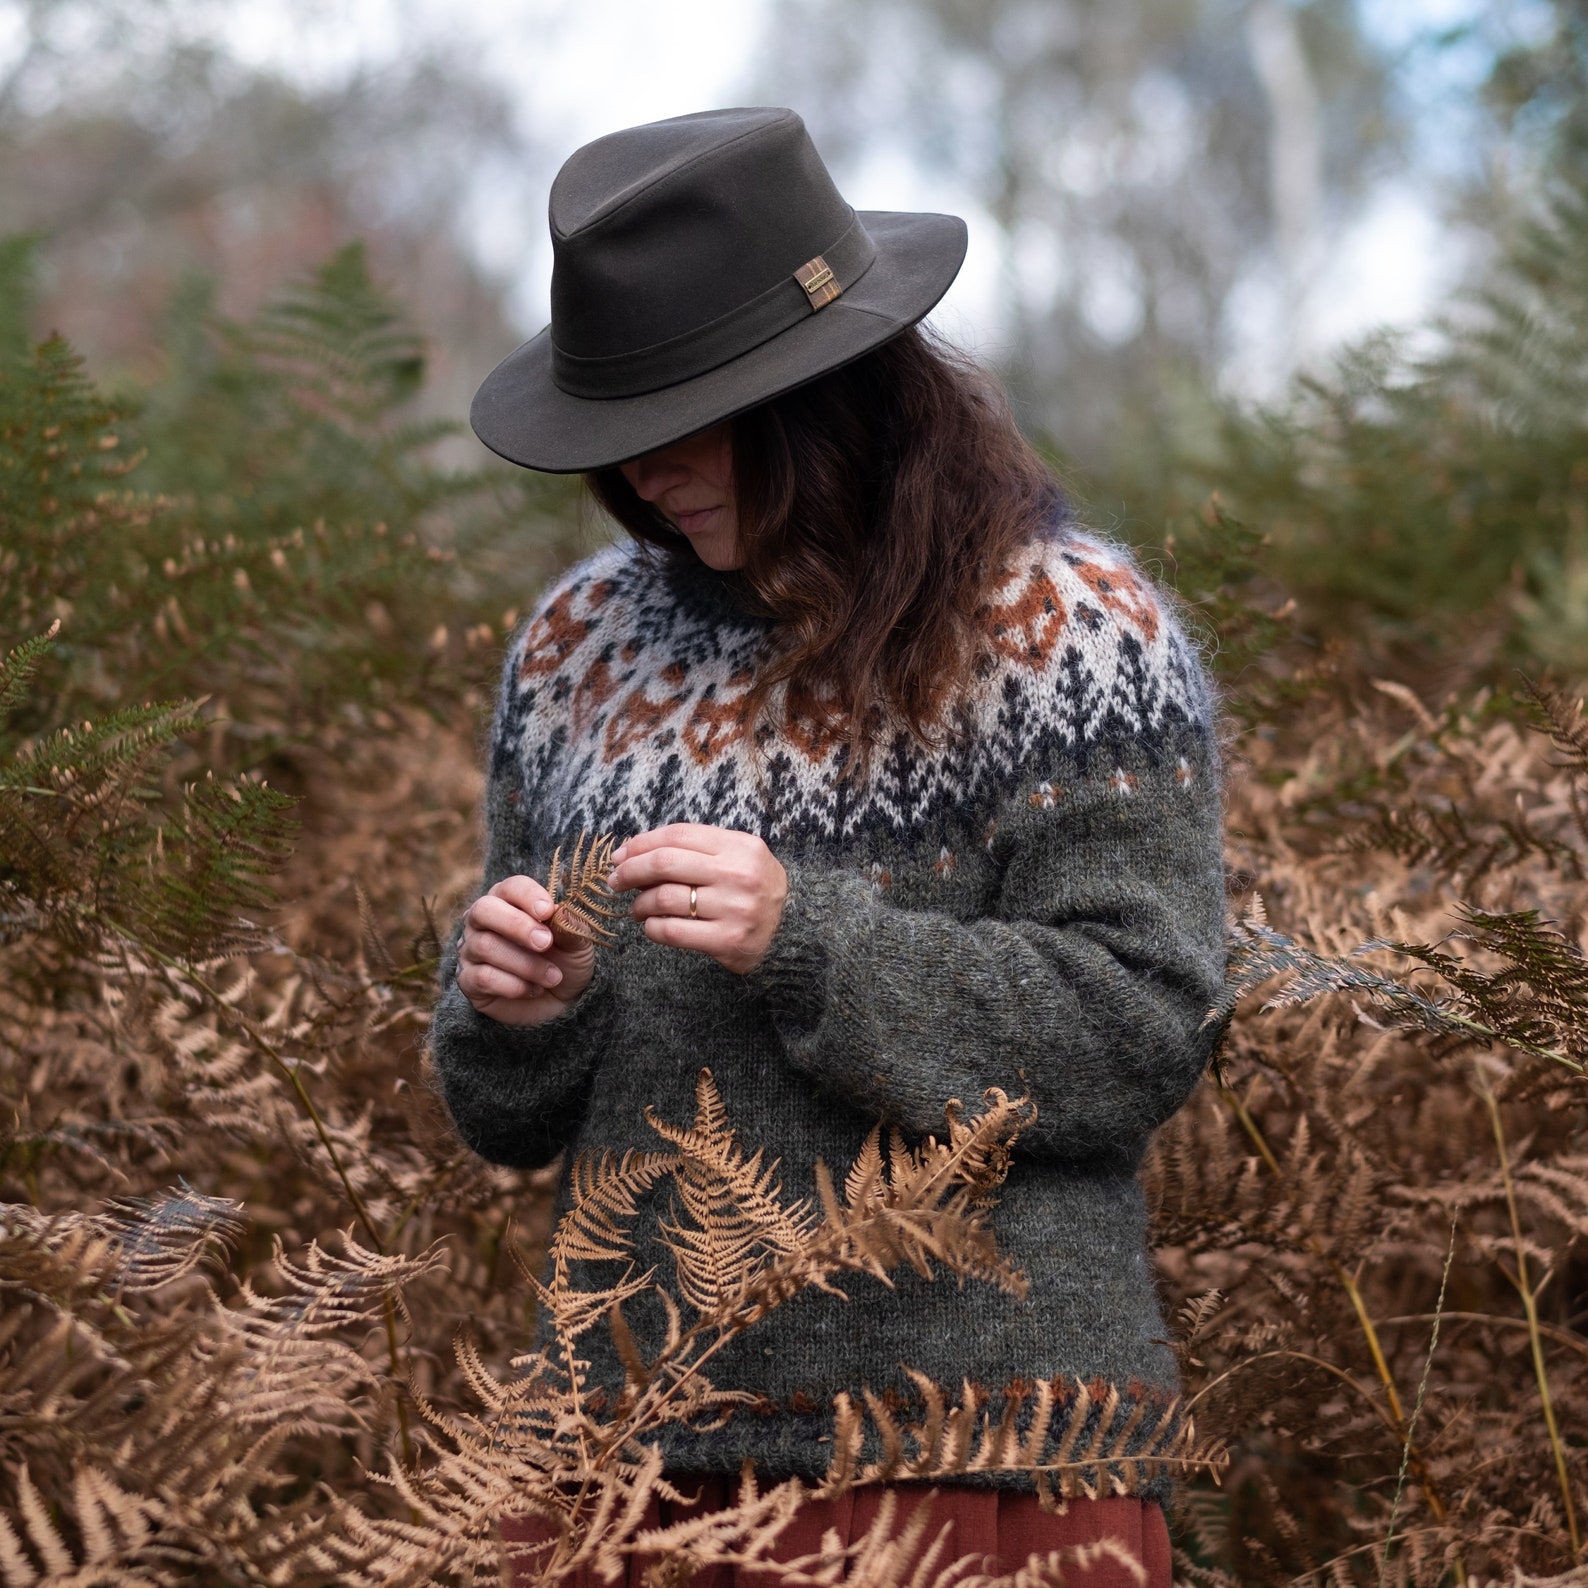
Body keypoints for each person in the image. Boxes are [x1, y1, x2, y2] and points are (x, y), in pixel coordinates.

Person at [430, 107, 1226, 1588]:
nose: (646, 473)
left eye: (687, 419)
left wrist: (815, 940)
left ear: (824, 390)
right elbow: (508, 1108)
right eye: (617, 433)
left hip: (977, 1458)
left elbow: (1138, 1025)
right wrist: (520, 1008)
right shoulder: (574, 647)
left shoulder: (1070, 635)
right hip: (629, 1461)